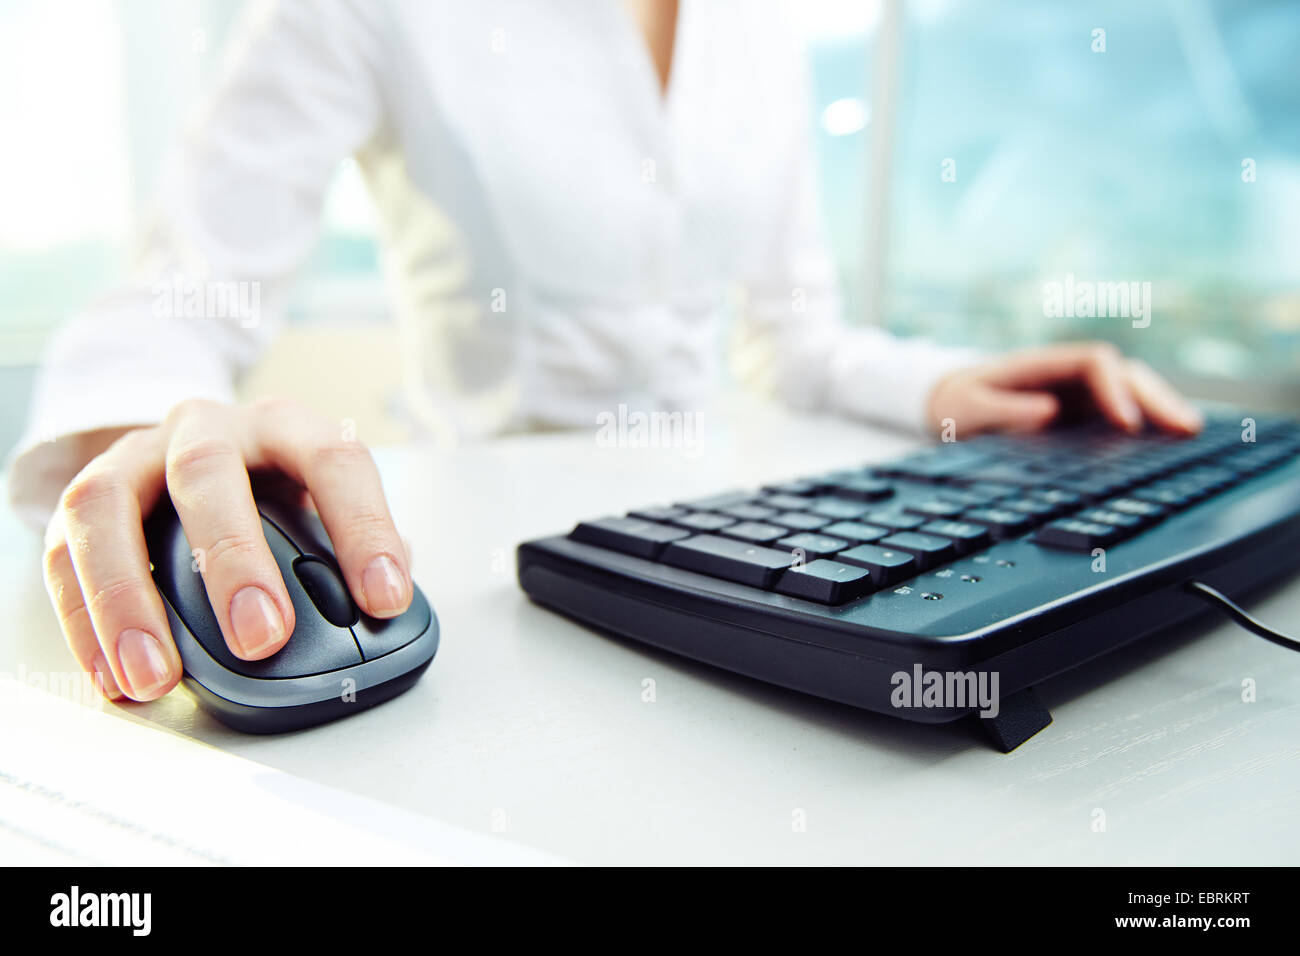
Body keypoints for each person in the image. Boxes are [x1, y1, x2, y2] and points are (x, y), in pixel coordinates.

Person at [9, 0, 1202, 704]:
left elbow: (794, 337)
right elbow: (175, 292)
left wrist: (944, 387)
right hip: (493, 576)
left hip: (754, 535)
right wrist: (149, 458)